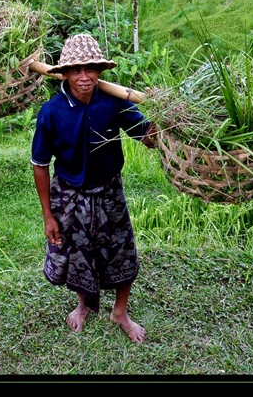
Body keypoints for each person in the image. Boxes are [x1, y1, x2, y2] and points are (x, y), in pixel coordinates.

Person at [30, 33, 157, 342]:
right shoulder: (51, 112)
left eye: (91, 69)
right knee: (77, 255)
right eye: (76, 70)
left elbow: (147, 137)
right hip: (70, 195)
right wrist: (48, 216)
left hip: (109, 191)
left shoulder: (114, 102)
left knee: (123, 250)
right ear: (65, 73)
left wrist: (165, 116)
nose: (84, 77)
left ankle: (120, 312)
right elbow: (40, 164)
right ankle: (83, 305)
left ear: (100, 70)